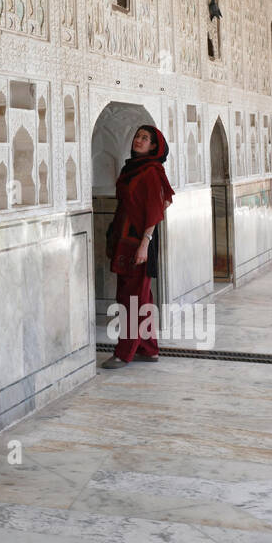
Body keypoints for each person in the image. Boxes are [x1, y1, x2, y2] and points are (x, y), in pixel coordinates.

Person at [102, 124, 174, 369]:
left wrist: (145, 244)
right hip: (124, 240)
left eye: (145, 138)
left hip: (139, 242)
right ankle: (148, 348)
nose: (139, 140)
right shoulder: (132, 169)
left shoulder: (151, 172)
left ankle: (124, 353)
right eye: (137, 136)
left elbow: (154, 212)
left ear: (154, 146)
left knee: (130, 299)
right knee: (139, 298)